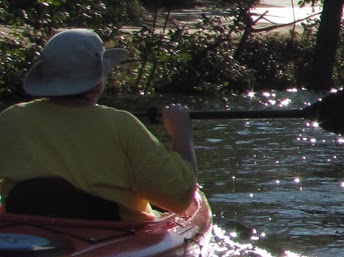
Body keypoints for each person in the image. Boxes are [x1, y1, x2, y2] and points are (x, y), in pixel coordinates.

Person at [0, 28, 197, 221]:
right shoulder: (122, 125)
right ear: (97, 81)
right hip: (114, 232)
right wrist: (181, 132)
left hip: (22, 229)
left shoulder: (12, 118)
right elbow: (180, 198)